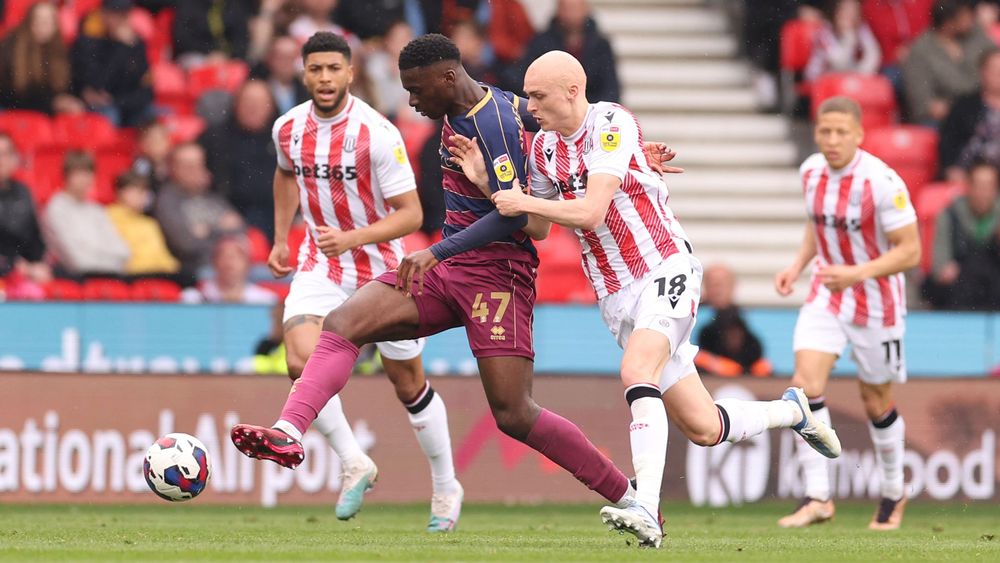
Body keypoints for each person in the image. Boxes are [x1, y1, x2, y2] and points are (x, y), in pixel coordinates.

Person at [229, 34, 639, 536]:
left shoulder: (491, 125)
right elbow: (551, 124)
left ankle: (629, 496)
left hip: (497, 278)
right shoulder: (479, 107)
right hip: (449, 267)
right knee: (344, 322)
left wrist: (435, 250)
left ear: (447, 78)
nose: (412, 101)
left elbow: (519, 221)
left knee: (514, 413)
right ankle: (289, 431)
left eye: (417, 89)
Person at [455, 50, 840, 549]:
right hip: (615, 297)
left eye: (538, 95)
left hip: (662, 269)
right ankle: (795, 412)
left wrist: (524, 199)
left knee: (638, 373)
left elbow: (592, 212)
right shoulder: (547, 147)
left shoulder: (610, 122)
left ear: (573, 90)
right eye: (527, 95)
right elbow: (542, 226)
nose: (530, 106)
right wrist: (491, 188)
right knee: (704, 427)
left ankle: (646, 507)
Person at [238, 32, 463, 531]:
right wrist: (280, 238)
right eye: (315, 69)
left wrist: (353, 236)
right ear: (304, 73)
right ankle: (353, 459)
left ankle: (446, 485)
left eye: (333, 69)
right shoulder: (287, 128)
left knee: (408, 382)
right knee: (299, 358)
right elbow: (283, 175)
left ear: (350, 73)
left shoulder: (377, 134)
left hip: (383, 267)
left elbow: (412, 215)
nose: (324, 78)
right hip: (321, 263)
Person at [774, 96, 921, 529]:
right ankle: (818, 496)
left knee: (875, 401)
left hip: (877, 301)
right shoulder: (811, 172)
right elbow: (818, 225)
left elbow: (911, 251)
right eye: (825, 131)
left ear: (859, 134)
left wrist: (857, 273)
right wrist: (797, 265)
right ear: (817, 133)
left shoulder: (881, 182)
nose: (833, 140)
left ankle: (894, 491)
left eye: (842, 132)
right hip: (827, 292)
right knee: (804, 385)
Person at [199, 79, 279, 239]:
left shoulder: (287, 138)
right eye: (248, 102)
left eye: (260, 103)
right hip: (228, 214)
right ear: (236, 104)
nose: (253, 108)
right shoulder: (214, 137)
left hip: (278, 215)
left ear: (271, 107)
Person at [154, 142, 244, 281]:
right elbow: (187, 245)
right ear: (173, 169)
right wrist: (222, 229)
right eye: (189, 166)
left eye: (199, 164)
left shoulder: (211, 197)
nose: (196, 170)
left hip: (229, 265)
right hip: (196, 270)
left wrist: (208, 230)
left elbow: (240, 230)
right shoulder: (167, 200)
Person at [902, 0, 994, 124]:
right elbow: (924, 104)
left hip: (987, 109)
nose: (973, 17)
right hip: (946, 119)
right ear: (948, 21)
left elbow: (995, 61)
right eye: (967, 14)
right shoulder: (920, 51)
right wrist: (965, 110)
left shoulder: (977, 35)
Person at [510, 0, 620, 103]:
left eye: (575, 8)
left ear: (586, 9)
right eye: (566, 8)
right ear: (558, 10)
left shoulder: (600, 45)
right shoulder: (541, 43)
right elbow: (524, 80)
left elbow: (610, 88)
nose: (570, 14)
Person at [924, 159, 1000, 309]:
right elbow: (939, 264)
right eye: (979, 186)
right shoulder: (950, 214)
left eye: (989, 187)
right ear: (968, 187)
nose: (984, 193)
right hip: (960, 288)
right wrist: (944, 269)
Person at [43, 151, 130, 277]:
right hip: (74, 279)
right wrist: (107, 259)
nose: (85, 179)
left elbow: (123, 253)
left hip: (109, 277)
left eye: (88, 173)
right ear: (66, 175)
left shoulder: (97, 210)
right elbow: (77, 262)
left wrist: (98, 259)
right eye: (78, 173)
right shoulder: (56, 209)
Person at [71, 0, 153, 127]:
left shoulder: (136, 44)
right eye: (115, 14)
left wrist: (121, 101)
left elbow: (146, 87)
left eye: (124, 14)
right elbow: (100, 84)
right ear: (104, 14)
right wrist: (119, 47)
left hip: (126, 103)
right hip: (102, 106)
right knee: (110, 115)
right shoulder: (88, 42)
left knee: (160, 116)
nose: (121, 20)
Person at [0, 1, 83, 114]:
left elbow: (66, 86)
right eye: (38, 20)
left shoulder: (59, 51)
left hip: (47, 116)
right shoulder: (11, 47)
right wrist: (52, 103)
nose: (43, 26)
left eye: (48, 21)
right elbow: (8, 93)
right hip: (14, 112)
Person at [695, 264, 771, 377]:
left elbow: (756, 354)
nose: (717, 289)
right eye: (713, 284)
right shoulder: (692, 312)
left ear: (732, 286)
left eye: (721, 284)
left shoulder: (742, 316)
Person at [0, 133, 51, 293]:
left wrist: (39, 264)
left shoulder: (23, 192)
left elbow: (34, 235)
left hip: (22, 270)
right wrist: (14, 265)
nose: (1, 160)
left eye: (5, 154)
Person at [940, 48, 1000, 181]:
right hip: (970, 172)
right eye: (994, 70)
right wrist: (951, 168)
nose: (998, 74)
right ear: (982, 72)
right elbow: (949, 141)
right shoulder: (965, 105)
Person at [105, 172, 180, 277]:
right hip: (129, 276)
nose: (143, 196)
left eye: (145, 191)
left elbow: (164, 258)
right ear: (121, 192)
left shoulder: (150, 224)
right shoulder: (108, 217)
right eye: (138, 191)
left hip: (156, 275)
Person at [181, 234, 278, 304]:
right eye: (223, 256)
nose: (229, 262)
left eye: (236, 256)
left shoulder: (266, 301)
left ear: (248, 263)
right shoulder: (194, 298)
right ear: (214, 262)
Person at [804, 0, 881, 83]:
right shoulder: (824, 32)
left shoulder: (861, 28)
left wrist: (863, 74)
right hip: (819, 78)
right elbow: (839, 62)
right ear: (837, 11)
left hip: (847, 76)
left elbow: (874, 55)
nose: (851, 14)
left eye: (854, 10)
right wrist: (848, 35)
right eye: (846, 9)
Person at [172, 0, 250, 68]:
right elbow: (182, 38)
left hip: (226, 59)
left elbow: (241, 39)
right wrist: (209, 53)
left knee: (239, 69)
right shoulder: (191, 4)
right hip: (195, 56)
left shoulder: (234, 6)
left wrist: (227, 56)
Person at [252, 35, 309, 115]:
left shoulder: (305, 91)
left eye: (291, 58)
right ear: (270, 59)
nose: (286, 63)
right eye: (281, 58)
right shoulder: (257, 89)